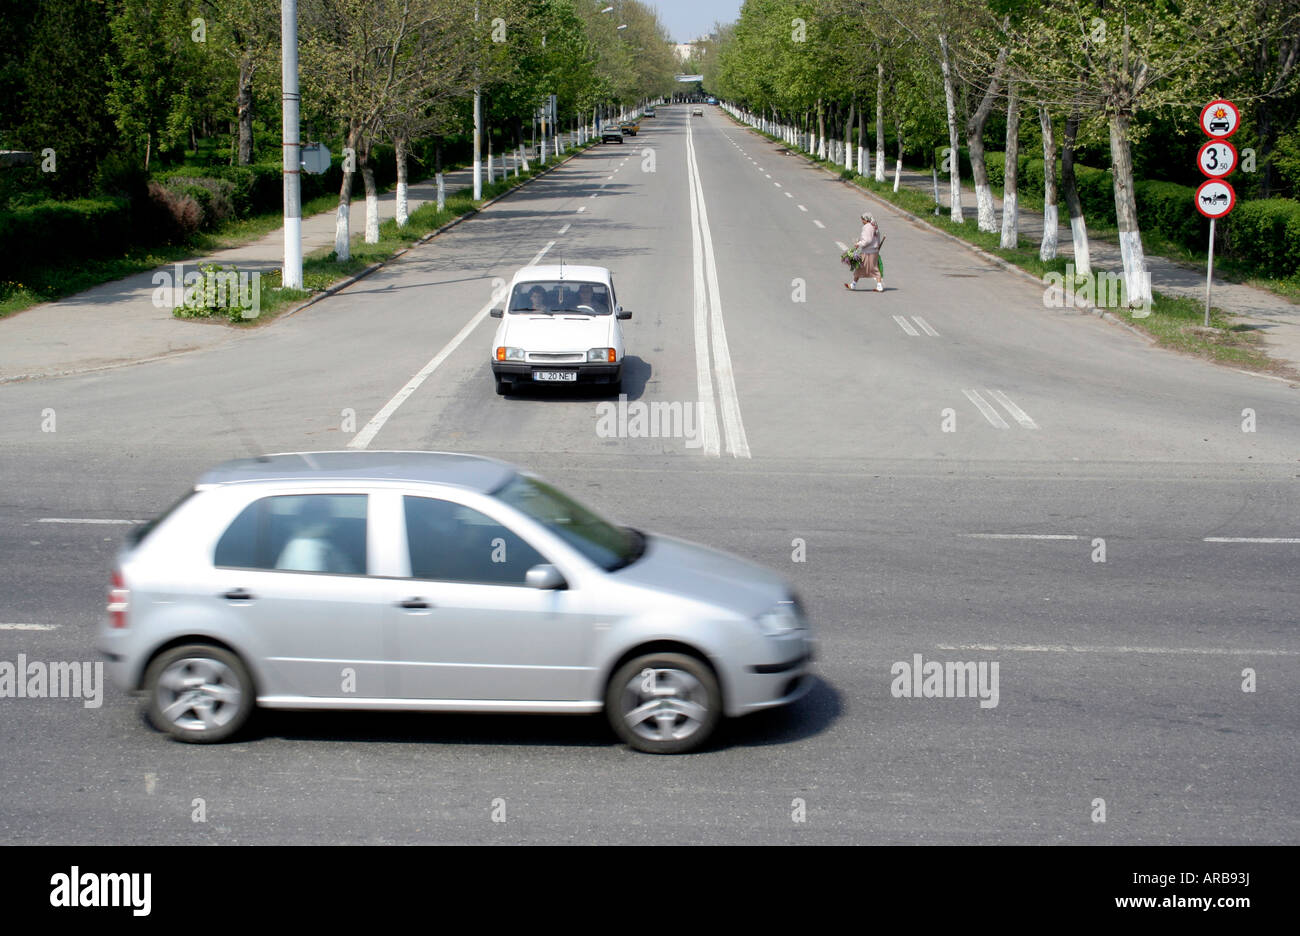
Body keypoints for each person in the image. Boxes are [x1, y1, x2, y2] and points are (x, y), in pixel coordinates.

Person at [846, 212, 884, 292]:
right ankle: (878, 285)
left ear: (866, 219)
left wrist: (858, 244)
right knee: (874, 268)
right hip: (874, 251)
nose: (862, 221)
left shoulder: (867, 227)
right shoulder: (874, 225)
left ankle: (853, 285)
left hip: (868, 252)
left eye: (862, 220)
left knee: (860, 267)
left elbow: (867, 240)